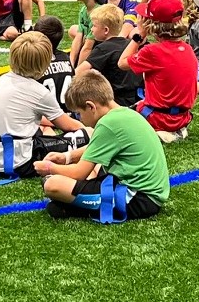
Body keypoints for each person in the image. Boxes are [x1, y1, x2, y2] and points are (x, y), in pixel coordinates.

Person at [35, 70, 168, 222]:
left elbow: (78, 174)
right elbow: (97, 148)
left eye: (79, 113)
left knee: (52, 184)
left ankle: (79, 206)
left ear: (91, 107)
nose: (80, 119)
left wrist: (49, 169)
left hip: (137, 198)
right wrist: (67, 157)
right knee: (95, 168)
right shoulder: (124, 113)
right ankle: (77, 203)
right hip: (147, 195)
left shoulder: (108, 124)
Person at [0, 33, 89, 180]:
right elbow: (71, 127)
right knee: (88, 135)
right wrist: (88, 129)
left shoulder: (4, 79)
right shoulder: (38, 92)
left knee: (45, 128)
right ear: (44, 63)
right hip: (21, 162)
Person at [122, 0, 197, 142]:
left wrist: (139, 34)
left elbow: (122, 62)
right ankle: (174, 130)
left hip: (158, 117)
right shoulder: (187, 48)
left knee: (116, 119)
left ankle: (159, 132)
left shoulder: (152, 51)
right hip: (182, 117)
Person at [76, 3, 141, 108]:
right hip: (135, 99)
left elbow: (78, 73)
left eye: (94, 25)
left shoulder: (103, 49)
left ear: (106, 30)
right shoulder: (130, 45)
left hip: (114, 102)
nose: (91, 29)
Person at [66, 0, 105, 67]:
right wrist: (71, 64)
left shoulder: (98, 14)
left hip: (103, 54)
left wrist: (77, 72)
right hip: (93, 49)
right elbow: (78, 37)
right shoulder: (84, 10)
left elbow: (88, 47)